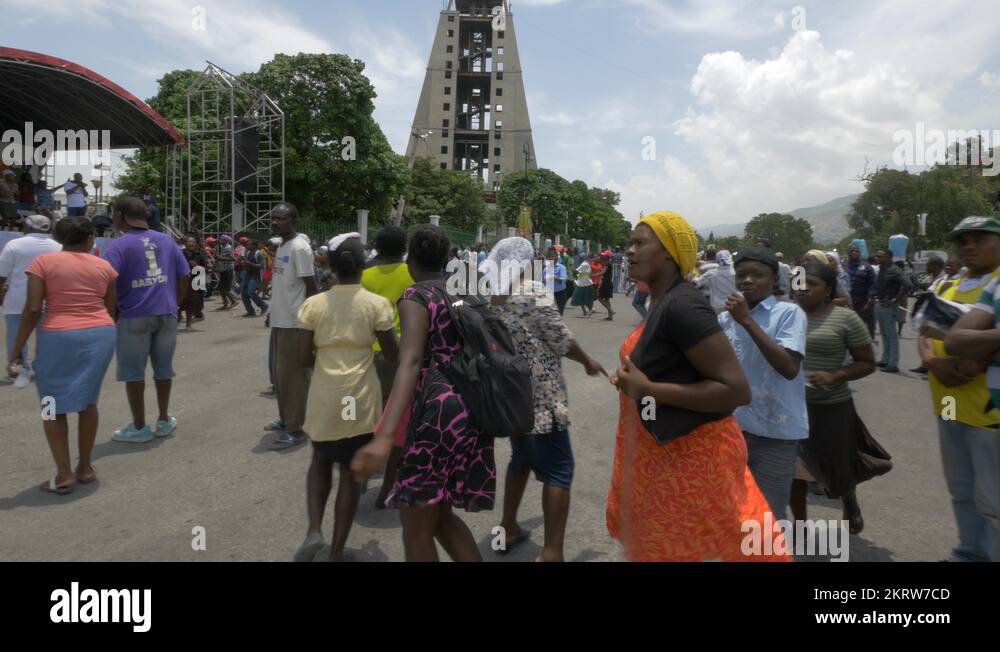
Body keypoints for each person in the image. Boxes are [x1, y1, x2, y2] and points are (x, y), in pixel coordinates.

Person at [607, 211, 786, 561]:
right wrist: (633, 381)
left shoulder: (684, 306)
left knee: (694, 548)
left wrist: (650, 390)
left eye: (641, 243)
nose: (629, 251)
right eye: (631, 242)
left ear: (671, 254)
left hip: (692, 462)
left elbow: (735, 390)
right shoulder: (663, 301)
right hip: (663, 454)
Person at [352, 225, 495, 562]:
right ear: (447, 258)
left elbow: (411, 360)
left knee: (416, 529)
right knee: (441, 517)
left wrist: (384, 438)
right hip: (469, 411)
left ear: (411, 260)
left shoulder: (416, 297)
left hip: (434, 416)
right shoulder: (460, 295)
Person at [485, 237, 607, 562]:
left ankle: (508, 527)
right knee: (559, 470)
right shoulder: (534, 291)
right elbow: (560, 338)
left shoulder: (493, 295)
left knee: (521, 459)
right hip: (541, 395)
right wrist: (588, 362)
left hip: (511, 394)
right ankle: (552, 552)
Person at [293, 233, 399, 562]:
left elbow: (302, 357)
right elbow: (393, 353)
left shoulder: (313, 305)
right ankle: (337, 552)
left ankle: (314, 531)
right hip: (360, 396)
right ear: (362, 265)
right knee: (352, 475)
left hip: (324, 393)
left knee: (320, 459)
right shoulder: (376, 305)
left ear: (332, 268)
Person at [6, 216, 117, 494]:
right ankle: (86, 468)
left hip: (58, 334)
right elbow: (111, 309)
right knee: (88, 401)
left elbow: (32, 309)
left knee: (50, 404)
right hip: (100, 333)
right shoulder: (104, 266)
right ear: (90, 239)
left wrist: (17, 351)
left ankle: (64, 473)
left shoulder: (42, 264)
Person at [788, 262, 886, 534]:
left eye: (812, 284)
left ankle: (850, 501)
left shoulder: (845, 318)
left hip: (831, 407)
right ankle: (801, 525)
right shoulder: (786, 315)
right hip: (792, 407)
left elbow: (867, 362)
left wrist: (835, 375)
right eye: (799, 283)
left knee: (838, 465)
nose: (803, 289)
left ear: (828, 289)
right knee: (795, 470)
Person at [926, 216, 1000, 562]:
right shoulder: (946, 284)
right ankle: (968, 551)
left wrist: (974, 360)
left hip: (988, 411)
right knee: (961, 486)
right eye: (962, 240)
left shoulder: (997, 284)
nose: (968, 246)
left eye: (979, 239)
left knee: (992, 496)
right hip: (949, 403)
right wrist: (935, 363)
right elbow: (925, 331)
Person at [720, 246, 809, 521]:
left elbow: (788, 367)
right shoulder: (724, 319)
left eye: (757, 275)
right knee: (730, 510)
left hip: (774, 433)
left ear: (774, 280)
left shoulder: (789, 314)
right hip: (732, 429)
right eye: (742, 274)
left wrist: (747, 320)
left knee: (766, 515)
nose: (747, 280)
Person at [104, 197, 190, 443]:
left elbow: (108, 280)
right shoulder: (167, 241)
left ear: (120, 216)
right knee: (163, 370)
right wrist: (175, 302)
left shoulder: (118, 246)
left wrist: (112, 311)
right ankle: (163, 420)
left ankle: (140, 426)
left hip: (133, 315)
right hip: (166, 313)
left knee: (134, 373)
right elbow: (185, 275)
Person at [362, 225, 415, 509]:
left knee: (371, 413)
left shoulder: (365, 275)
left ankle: (365, 466)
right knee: (397, 418)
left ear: (377, 248)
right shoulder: (411, 273)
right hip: (403, 354)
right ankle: (389, 483)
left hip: (370, 352)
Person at [265, 203, 318, 450]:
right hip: (279, 320)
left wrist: (309, 321)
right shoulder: (282, 245)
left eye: (281, 218)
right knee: (280, 377)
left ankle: (296, 429)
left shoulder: (299, 247)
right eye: (274, 218)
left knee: (294, 377)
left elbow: (311, 287)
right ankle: (286, 418)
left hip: (295, 322)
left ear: (293, 220)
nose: (275, 222)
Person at [0, 214, 62, 383]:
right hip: (47, 300)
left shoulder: (13, 245)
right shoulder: (57, 246)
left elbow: (1, 277)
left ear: (27, 227)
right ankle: (43, 369)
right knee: (46, 337)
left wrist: (2, 298)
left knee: (16, 337)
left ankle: (19, 370)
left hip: (17, 299)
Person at [868, 248, 912, 373]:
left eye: (879, 256)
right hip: (881, 304)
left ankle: (893, 363)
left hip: (889, 306)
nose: (876, 258)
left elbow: (908, 285)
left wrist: (894, 300)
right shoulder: (882, 269)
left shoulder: (895, 270)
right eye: (877, 256)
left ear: (888, 257)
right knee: (884, 333)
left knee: (891, 335)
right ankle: (885, 359)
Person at [844, 244, 877, 338]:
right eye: (851, 251)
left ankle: (870, 341)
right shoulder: (843, 266)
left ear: (859, 253)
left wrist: (871, 298)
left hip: (863, 302)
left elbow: (873, 283)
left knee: (864, 325)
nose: (854, 252)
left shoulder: (866, 267)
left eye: (856, 251)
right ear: (848, 253)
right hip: (847, 301)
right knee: (848, 326)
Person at [178, 236, 206, 332]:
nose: (191, 244)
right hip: (180, 282)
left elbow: (206, 269)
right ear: (185, 243)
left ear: (196, 244)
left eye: (193, 242)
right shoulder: (180, 254)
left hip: (194, 282)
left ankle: (188, 325)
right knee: (178, 303)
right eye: (189, 242)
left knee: (191, 304)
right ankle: (175, 323)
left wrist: (197, 266)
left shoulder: (199, 255)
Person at [697, 249, 737, 314]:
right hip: (733, 303)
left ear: (717, 260)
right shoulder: (736, 272)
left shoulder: (711, 274)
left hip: (718, 306)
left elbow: (699, 282)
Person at [241, 240, 268, 317]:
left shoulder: (258, 254)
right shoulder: (248, 253)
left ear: (254, 246)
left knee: (251, 292)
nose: (247, 246)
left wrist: (249, 263)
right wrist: (244, 264)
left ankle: (263, 306)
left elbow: (261, 266)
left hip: (256, 276)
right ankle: (250, 311)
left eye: (249, 245)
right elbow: (247, 264)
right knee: (244, 294)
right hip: (247, 275)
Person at [213, 235, 239, 310]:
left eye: (222, 239)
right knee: (221, 288)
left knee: (225, 289)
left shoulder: (229, 248)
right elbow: (216, 257)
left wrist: (222, 258)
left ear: (226, 241)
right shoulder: (218, 247)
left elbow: (233, 259)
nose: (220, 240)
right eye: (220, 239)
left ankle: (233, 301)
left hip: (228, 269)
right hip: (222, 270)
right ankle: (225, 304)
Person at [545, 246, 569, 315]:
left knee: (559, 314)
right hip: (548, 293)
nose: (551, 258)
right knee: (547, 314)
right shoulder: (545, 268)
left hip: (560, 293)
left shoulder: (561, 267)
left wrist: (554, 277)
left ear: (557, 258)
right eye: (549, 257)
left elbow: (563, 279)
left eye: (553, 256)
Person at [596, 250, 616, 320]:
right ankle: (610, 316)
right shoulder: (608, 263)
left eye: (604, 255)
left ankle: (611, 310)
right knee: (607, 299)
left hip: (606, 283)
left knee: (599, 297)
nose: (602, 256)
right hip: (608, 283)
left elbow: (603, 272)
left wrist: (594, 275)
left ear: (607, 257)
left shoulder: (607, 264)